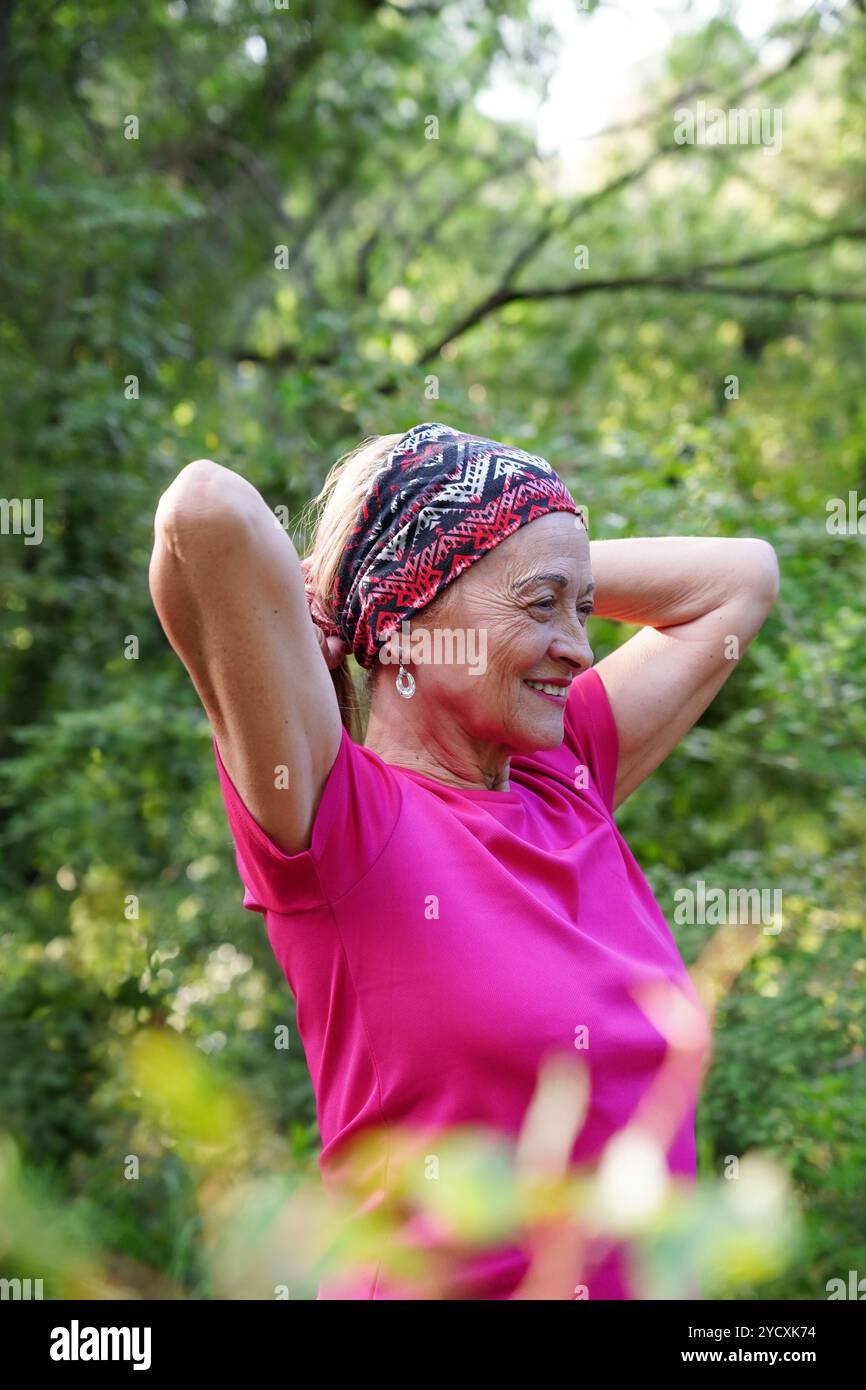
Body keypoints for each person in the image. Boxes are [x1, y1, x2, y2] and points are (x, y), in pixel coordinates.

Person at [148, 421, 780, 1299]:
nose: (580, 645)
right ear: (409, 620)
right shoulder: (339, 821)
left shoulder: (566, 776)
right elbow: (203, 509)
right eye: (541, 605)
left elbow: (744, 577)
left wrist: (541, 556)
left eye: (584, 610)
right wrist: (358, 587)